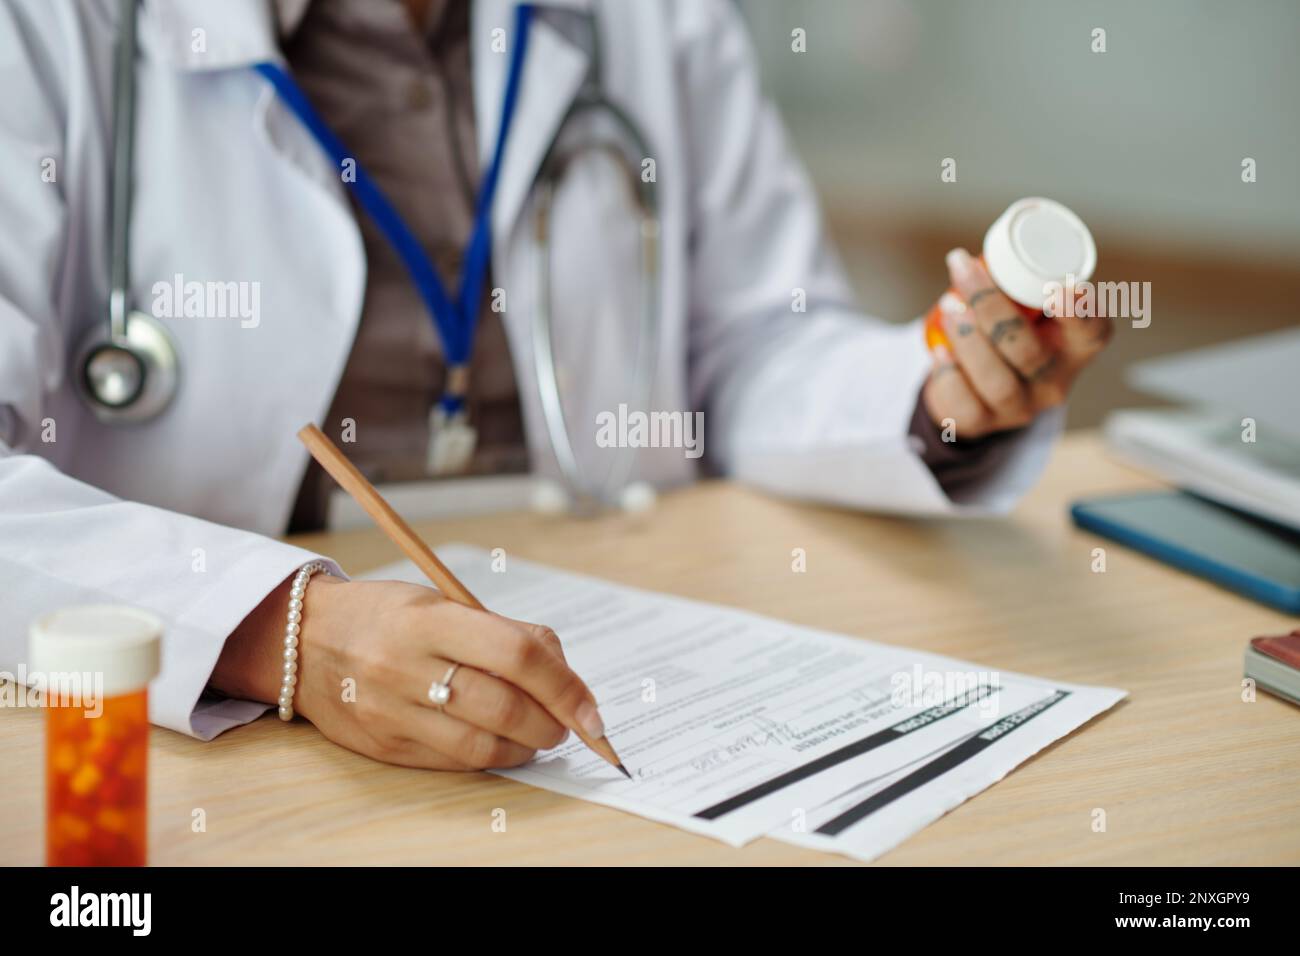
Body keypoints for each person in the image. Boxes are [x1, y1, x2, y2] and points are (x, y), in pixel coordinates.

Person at [0, 0, 1112, 770]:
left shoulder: (651, 18)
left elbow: (751, 344)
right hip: (223, 732)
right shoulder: (54, 33)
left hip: (614, 624)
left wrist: (934, 403)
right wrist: (278, 633)